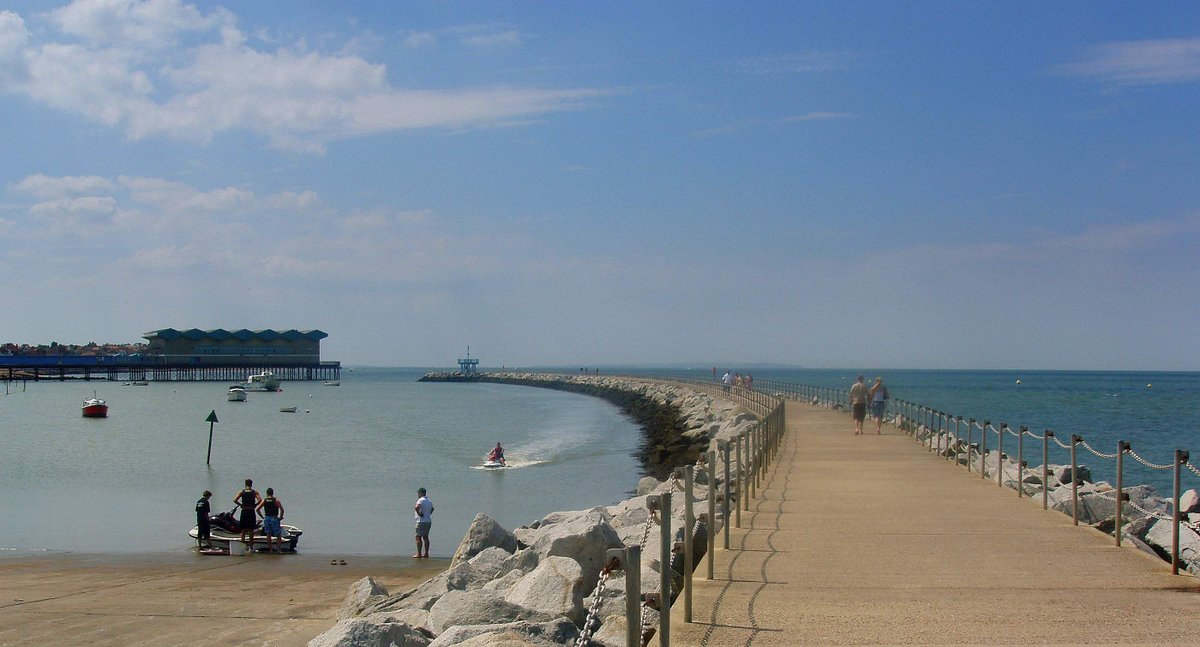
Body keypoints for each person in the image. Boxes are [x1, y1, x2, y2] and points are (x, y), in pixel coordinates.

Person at [234, 478, 262, 549]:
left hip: (244, 511)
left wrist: (240, 505)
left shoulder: (242, 492)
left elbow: (235, 500)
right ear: (251, 484)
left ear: (245, 484)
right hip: (251, 511)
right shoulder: (254, 492)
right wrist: (255, 505)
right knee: (251, 530)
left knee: (243, 530)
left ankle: (242, 546)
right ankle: (251, 547)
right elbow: (260, 500)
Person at [256, 487, 285, 553]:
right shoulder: (276, 500)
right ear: (272, 493)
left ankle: (270, 550)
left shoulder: (264, 500)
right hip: (274, 518)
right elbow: (282, 509)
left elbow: (257, 509)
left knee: (268, 534)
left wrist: (262, 517)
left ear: (267, 493)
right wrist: (280, 517)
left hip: (267, 518)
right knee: (278, 534)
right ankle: (278, 549)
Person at [413, 487, 434, 558]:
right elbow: (432, 509)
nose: (418, 495)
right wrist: (428, 514)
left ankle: (419, 554)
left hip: (421, 521)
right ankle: (426, 553)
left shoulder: (420, 500)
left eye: (418, 493)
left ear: (421, 493)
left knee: (418, 537)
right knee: (425, 537)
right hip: (428, 521)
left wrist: (419, 514)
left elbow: (416, 507)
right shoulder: (429, 500)